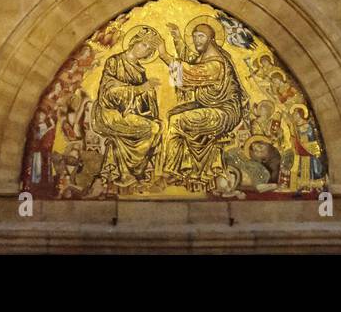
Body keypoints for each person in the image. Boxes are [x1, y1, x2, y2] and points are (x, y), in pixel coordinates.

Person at [154, 18, 245, 192]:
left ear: (211, 39)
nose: (197, 40)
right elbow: (188, 61)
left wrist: (165, 55)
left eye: (201, 36)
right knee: (172, 114)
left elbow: (191, 72)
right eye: (195, 36)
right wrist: (176, 37)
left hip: (224, 113)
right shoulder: (205, 56)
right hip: (210, 106)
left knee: (177, 121)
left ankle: (169, 174)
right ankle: (185, 168)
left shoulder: (215, 63)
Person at [87, 27, 164, 193]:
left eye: (149, 50)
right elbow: (108, 93)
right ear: (134, 42)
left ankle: (132, 172)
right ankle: (131, 172)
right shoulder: (114, 62)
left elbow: (143, 98)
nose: (144, 51)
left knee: (157, 125)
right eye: (143, 45)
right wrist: (140, 89)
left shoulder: (140, 70)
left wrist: (148, 93)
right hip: (109, 113)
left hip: (131, 114)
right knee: (152, 128)